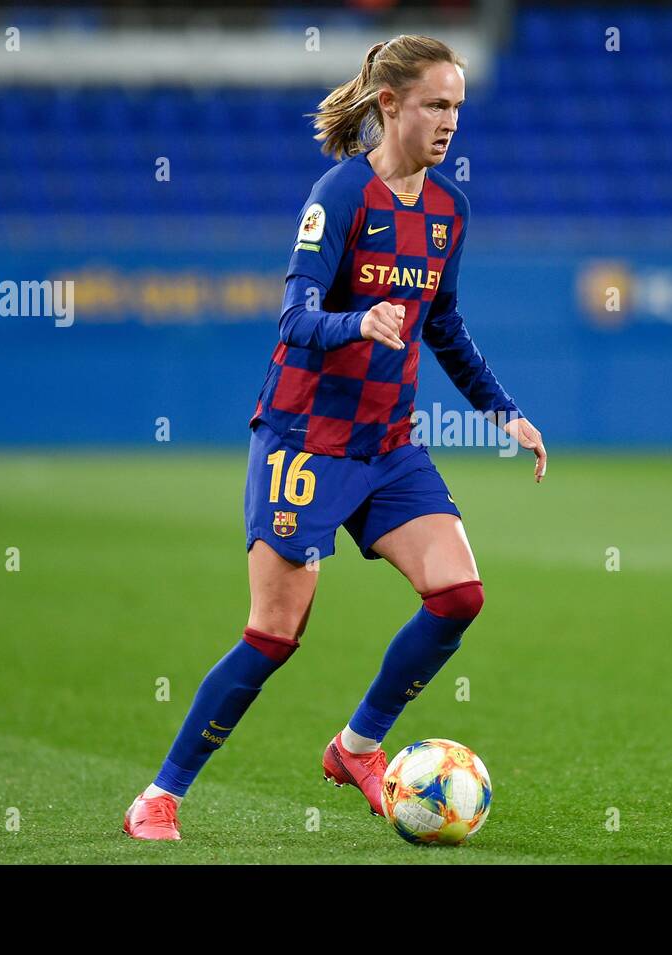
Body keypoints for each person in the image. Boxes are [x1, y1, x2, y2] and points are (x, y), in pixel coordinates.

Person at [124, 34, 547, 840]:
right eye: (435, 104)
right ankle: (162, 792)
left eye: (457, 106)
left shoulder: (450, 210)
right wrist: (362, 319)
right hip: (304, 443)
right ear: (390, 104)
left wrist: (504, 412)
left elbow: (445, 325)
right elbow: (293, 317)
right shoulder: (341, 194)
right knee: (273, 636)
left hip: (387, 446)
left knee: (459, 595)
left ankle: (356, 745)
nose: (450, 121)